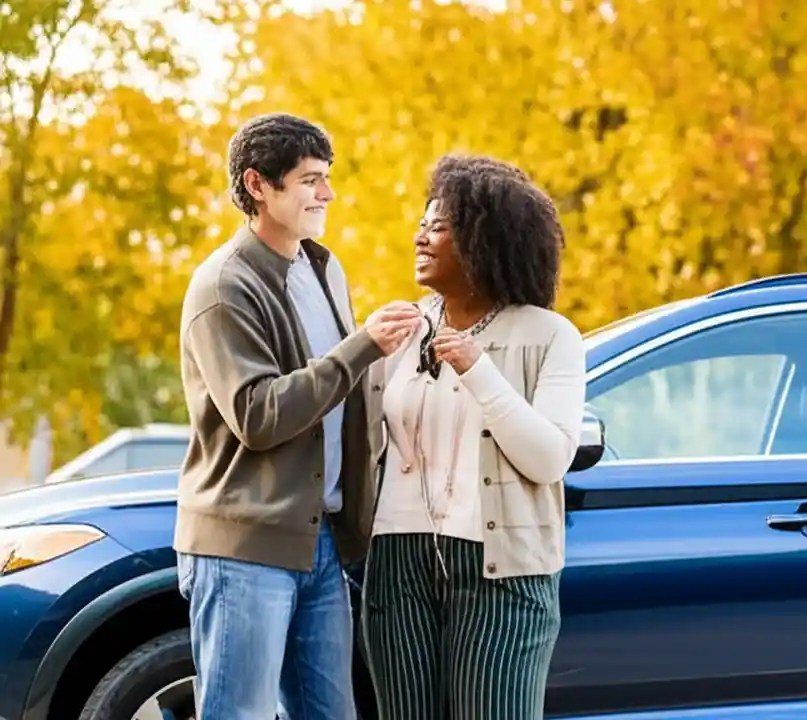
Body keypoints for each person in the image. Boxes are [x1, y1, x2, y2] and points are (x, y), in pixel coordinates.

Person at [175, 112, 421, 719]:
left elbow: (345, 393)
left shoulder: (323, 268)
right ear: (258, 186)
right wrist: (363, 345)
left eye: (327, 178)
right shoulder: (224, 287)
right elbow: (258, 415)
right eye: (310, 180)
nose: (327, 194)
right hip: (245, 549)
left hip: (319, 544)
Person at [362, 154, 586, 720]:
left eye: (438, 226)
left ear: (486, 241)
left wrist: (477, 368)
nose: (420, 236)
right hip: (398, 561)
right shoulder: (400, 329)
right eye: (422, 223)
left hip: (502, 571)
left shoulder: (549, 336)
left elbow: (549, 458)